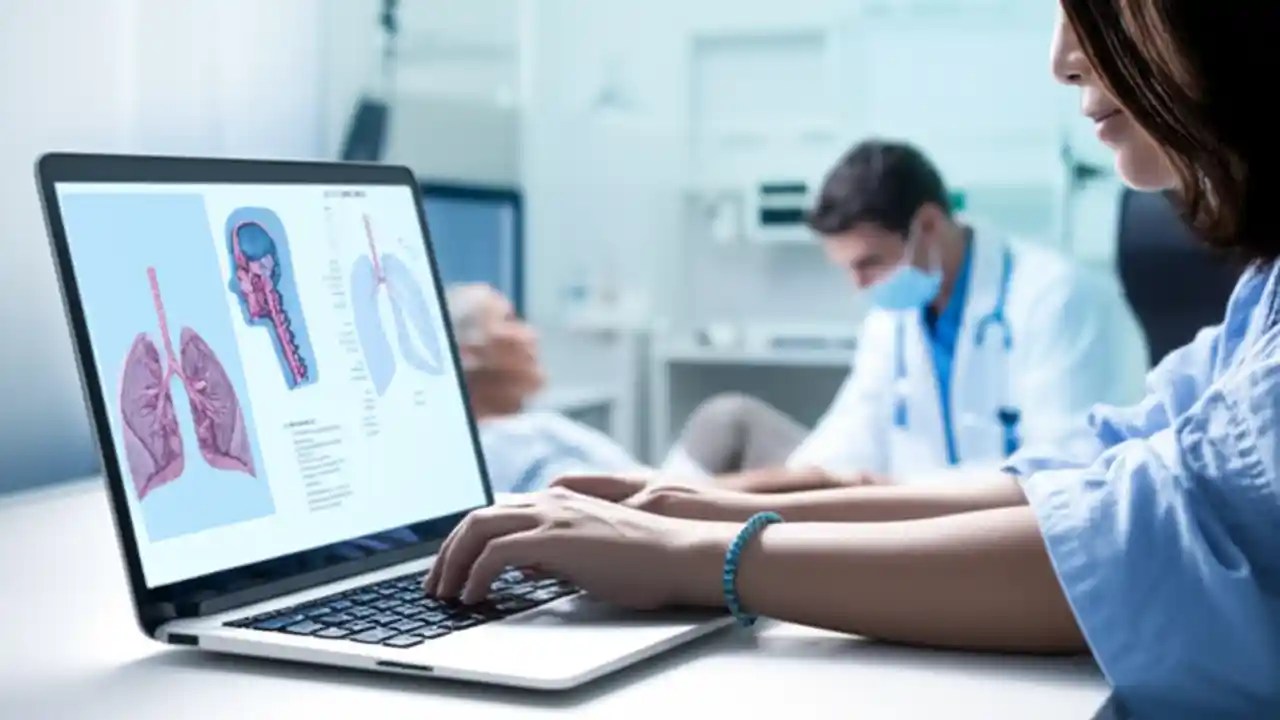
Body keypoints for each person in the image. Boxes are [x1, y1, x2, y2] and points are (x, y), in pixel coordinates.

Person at [428, 2, 1280, 715]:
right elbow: (1069, 475)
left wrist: (702, 557)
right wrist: (697, 510)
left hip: (989, 570)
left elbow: (1120, 542)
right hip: (948, 543)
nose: (1061, 58)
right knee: (725, 428)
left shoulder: (1057, 300)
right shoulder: (1261, 298)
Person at [670, 140, 1149, 493]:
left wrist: (893, 493)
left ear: (927, 226)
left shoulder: (1058, 299)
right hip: (913, 510)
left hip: (1014, 534)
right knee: (727, 422)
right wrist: (717, 498)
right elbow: (850, 435)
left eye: (868, 263)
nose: (859, 286)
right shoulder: (894, 316)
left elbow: (1067, 473)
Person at [443, 283, 648, 493]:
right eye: (510, 320)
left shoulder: (537, 432)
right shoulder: (504, 447)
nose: (532, 334)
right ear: (466, 353)